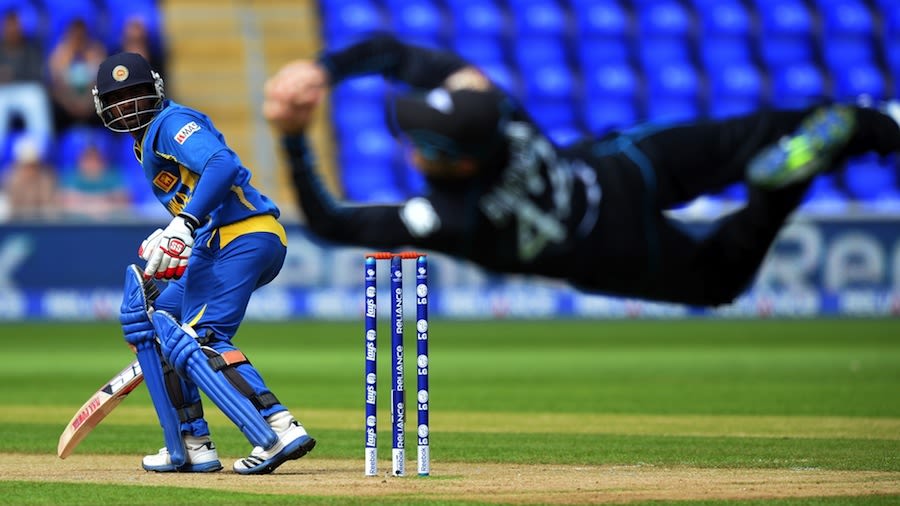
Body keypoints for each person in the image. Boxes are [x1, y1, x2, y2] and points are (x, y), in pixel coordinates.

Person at [262, 34, 900, 307]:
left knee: (720, 278)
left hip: (612, 249)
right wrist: (327, 69)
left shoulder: (449, 217)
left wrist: (293, 140)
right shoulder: (496, 112)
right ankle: (880, 123)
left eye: (418, 141)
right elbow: (396, 53)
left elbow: (329, 221)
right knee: (773, 128)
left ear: (447, 160)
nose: (407, 146)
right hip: (624, 167)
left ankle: (772, 189)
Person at [93, 52, 315, 474]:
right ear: (104, 107)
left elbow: (222, 163)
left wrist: (184, 223)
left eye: (137, 93)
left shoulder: (170, 123)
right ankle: (193, 442)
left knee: (202, 337)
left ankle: (278, 426)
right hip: (217, 241)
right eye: (117, 98)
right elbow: (195, 193)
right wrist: (176, 234)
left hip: (243, 234)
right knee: (160, 323)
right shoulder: (146, 141)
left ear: (156, 89)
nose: (129, 105)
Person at [0, 8, 53, 152]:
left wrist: (12, 76)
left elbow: (39, 77)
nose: (12, 29)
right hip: (2, 92)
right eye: (9, 25)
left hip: (26, 90)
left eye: (15, 25)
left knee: (36, 97)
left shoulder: (32, 47)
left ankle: (42, 150)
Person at [47, 18, 106, 131]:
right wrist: (70, 105)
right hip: (66, 107)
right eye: (75, 35)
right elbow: (56, 86)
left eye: (81, 35)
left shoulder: (96, 52)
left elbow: (100, 83)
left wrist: (87, 106)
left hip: (91, 107)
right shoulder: (59, 54)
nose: (78, 38)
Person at [57, 141, 130, 221]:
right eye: (87, 160)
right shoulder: (71, 176)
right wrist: (103, 201)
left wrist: (83, 202)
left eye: (95, 159)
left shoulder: (113, 176)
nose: (91, 164)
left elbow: (123, 200)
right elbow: (64, 201)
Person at [0, 135, 57, 220]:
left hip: (40, 223)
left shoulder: (45, 179)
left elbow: (49, 206)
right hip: (15, 223)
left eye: (33, 164)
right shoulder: (10, 179)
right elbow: (9, 207)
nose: (30, 169)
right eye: (26, 164)